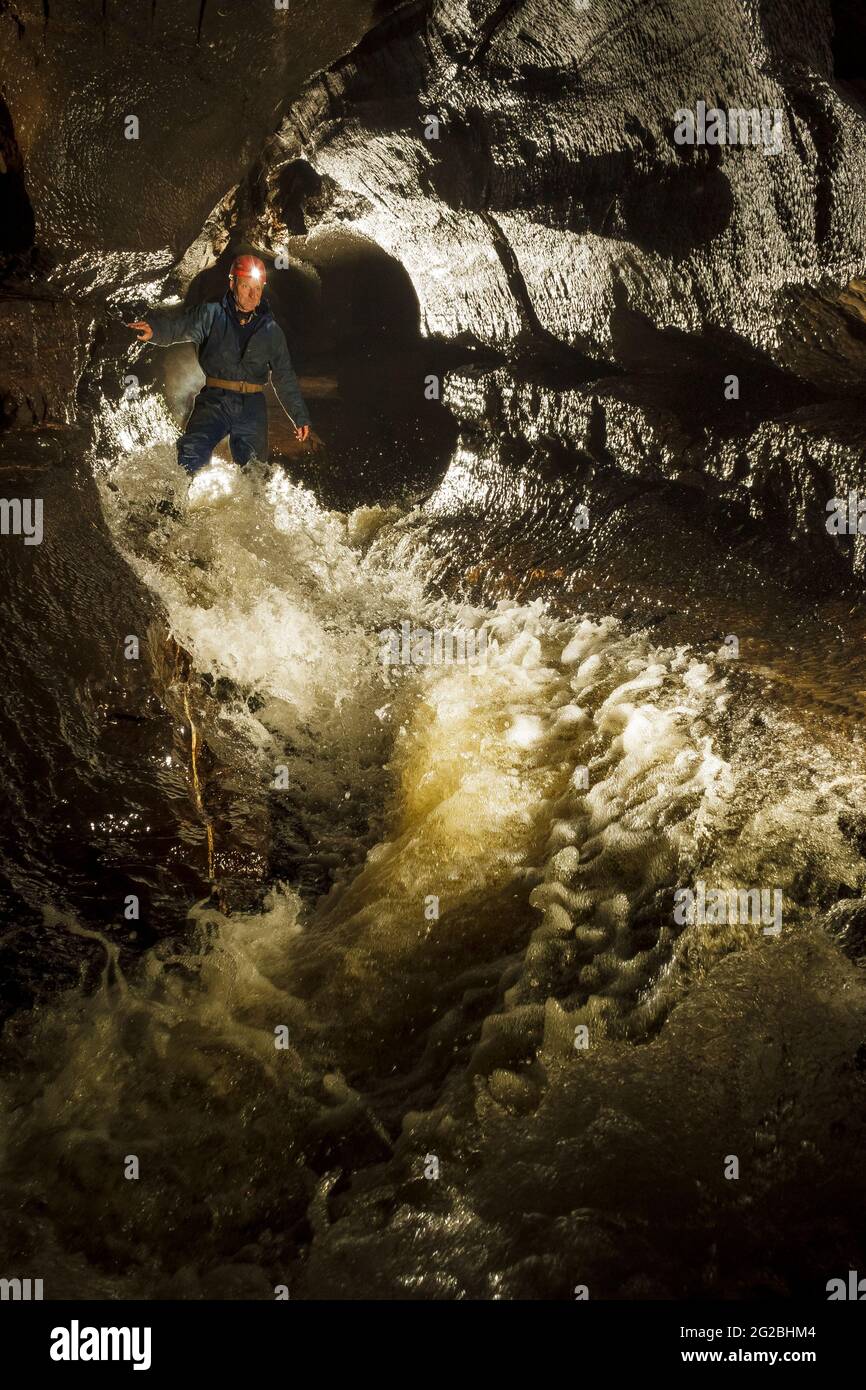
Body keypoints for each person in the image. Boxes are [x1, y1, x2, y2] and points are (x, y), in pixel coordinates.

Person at [127, 253, 311, 477]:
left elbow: (284, 376)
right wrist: (155, 331)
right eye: (246, 287)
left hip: (252, 406)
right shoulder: (211, 314)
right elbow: (179, 326)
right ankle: (172, 506)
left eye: (258, 288)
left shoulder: (271, 331)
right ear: (232, 283)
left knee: (256, 472)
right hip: (215, 401)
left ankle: (251, 511)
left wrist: (299, 416)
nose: (253, 295)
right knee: (190, 455)